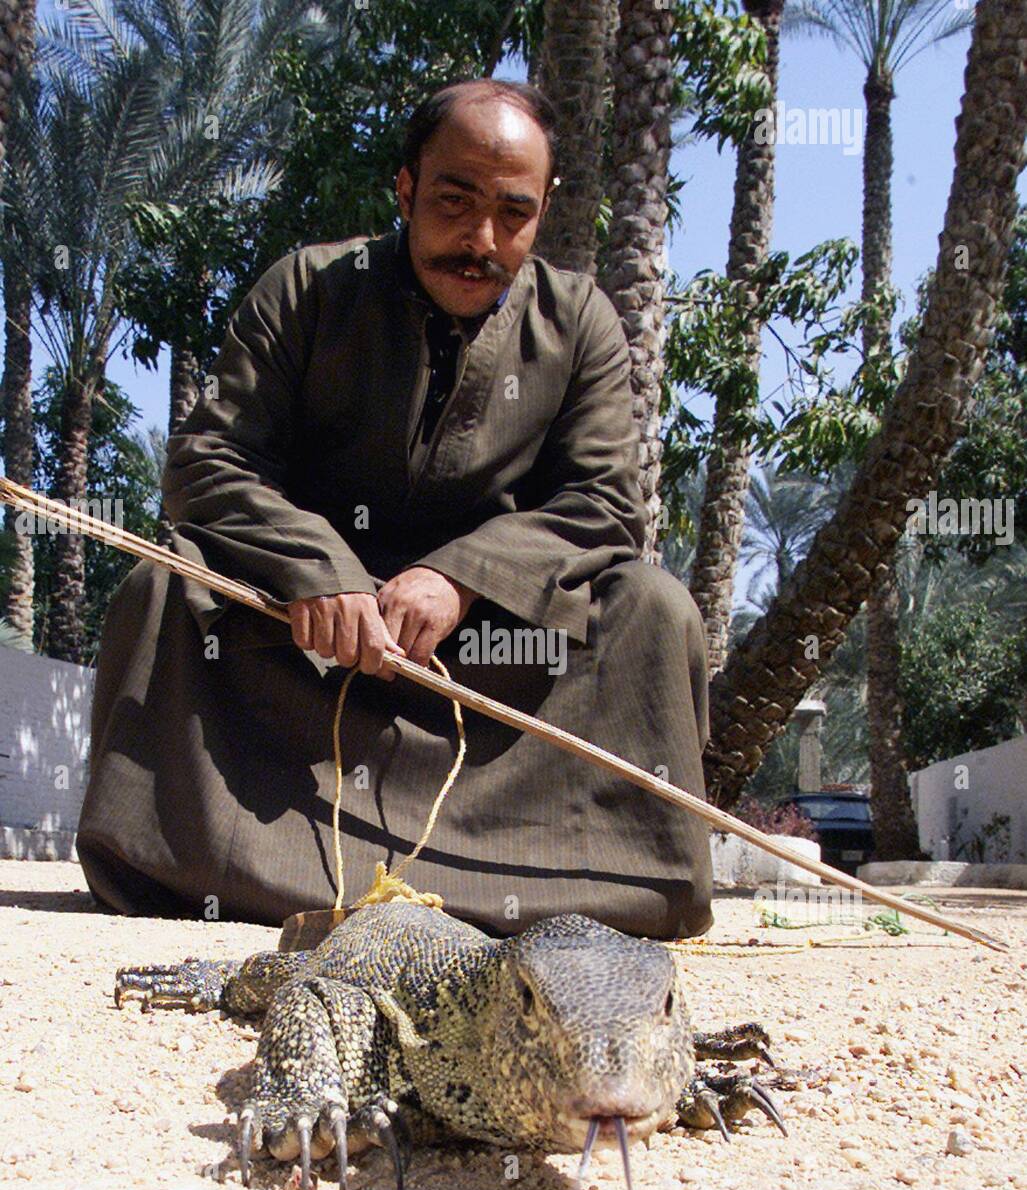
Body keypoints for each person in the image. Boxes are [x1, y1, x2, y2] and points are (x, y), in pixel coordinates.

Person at [76, 79, 714, 939]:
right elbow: (207, 462)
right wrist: (318, 571)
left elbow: (603, 502)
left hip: (494, 651)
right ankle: (206, 861)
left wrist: (460, 578)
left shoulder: (580, 321)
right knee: (164, 594)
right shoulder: (306, 289)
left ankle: (593, 880)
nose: (480, 239)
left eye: (512, 214)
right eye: (453, 200)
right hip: (302, 645)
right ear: (405, 186)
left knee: (653, 610)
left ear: (543, 211)